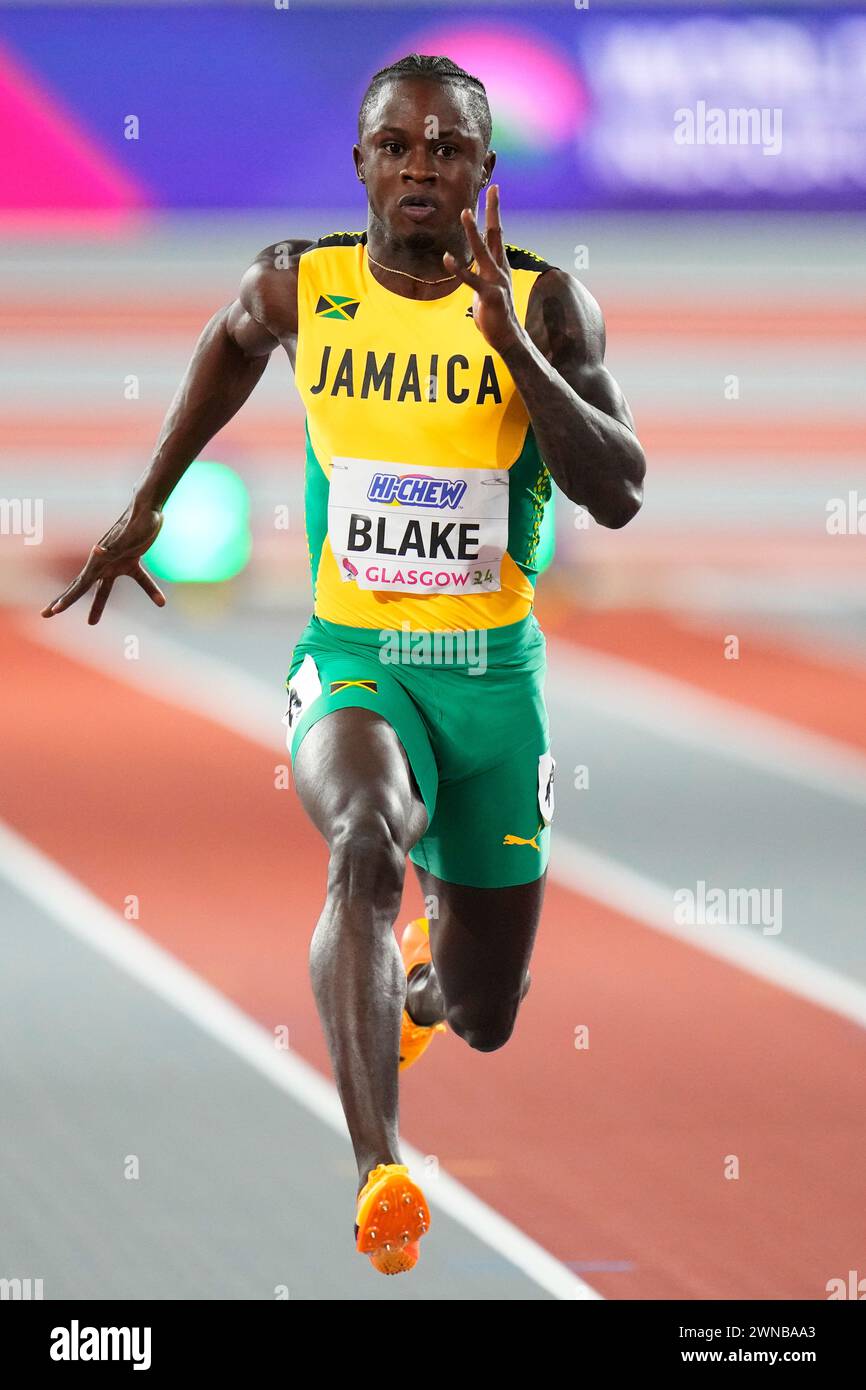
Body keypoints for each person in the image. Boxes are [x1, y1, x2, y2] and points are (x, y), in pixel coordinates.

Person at [41, 53, 646, 1277]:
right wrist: (147, 503)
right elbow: (228, 341)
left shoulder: (543, 306)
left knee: (482, 1015)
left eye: (449, 149)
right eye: (398, 146)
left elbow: (620, 494)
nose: (422, 166)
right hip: (359, 658)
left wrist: (510, 352)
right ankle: (381, 1167)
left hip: (491, 680)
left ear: (484, 170)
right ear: (362, 161)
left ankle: (421, 992)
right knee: (362, 841)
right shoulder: (298, 284)